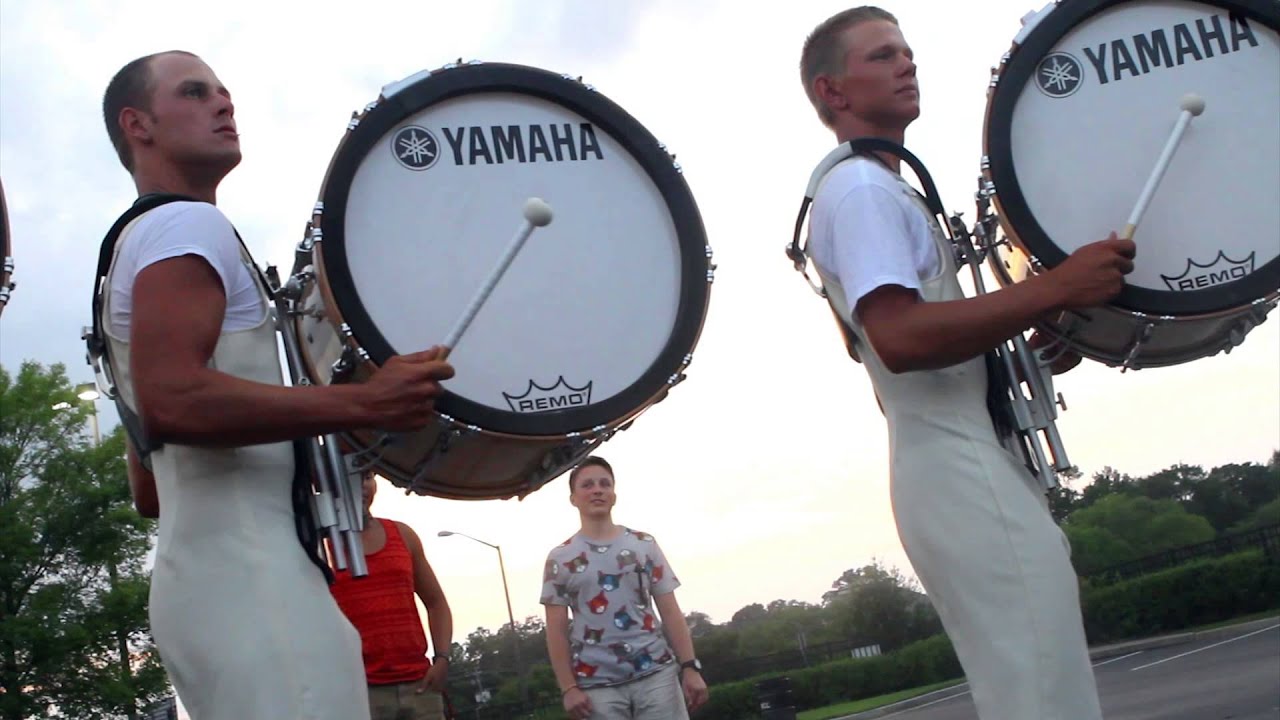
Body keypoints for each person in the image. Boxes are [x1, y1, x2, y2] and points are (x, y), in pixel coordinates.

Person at [797, 8, 1138, 720]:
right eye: (883, 55)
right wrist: (1056, 287)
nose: (906, 63)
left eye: (907, 51)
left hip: (961, 456)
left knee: (1035, 686)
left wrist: (1021, 332)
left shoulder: (879, 187)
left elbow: (926, 333)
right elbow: (901, 338)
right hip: (954, 462)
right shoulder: (859, 191)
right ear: (833, 92)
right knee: (1043, 694)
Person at [96, 50, 455, 720]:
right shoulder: (186, 225)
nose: (224, 104)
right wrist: (366, 401)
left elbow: (150, 492)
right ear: (137, 124)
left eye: (225, 92)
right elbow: (174, 401)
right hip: (255, 587)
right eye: (196, 92)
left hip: (207, 584)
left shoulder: (130, 249)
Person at [540, 457, 709, 720]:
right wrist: (568, 688)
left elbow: (670, 609)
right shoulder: (560, 558)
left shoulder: (644, 545)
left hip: (656, 675)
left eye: (604, 484)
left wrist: (690, 666)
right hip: (596, 687)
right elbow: (556, 630)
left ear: (614, 494)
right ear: (573, 498)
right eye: (587, 485)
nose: (597, 490)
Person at [330, 470, 455, 720]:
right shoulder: (322, 546)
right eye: (350, 477)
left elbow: (436, 601)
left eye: (366, 476)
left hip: (420, 686)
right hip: (361, 692)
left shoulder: (403, 535)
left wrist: (442, 658)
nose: (362, 486)